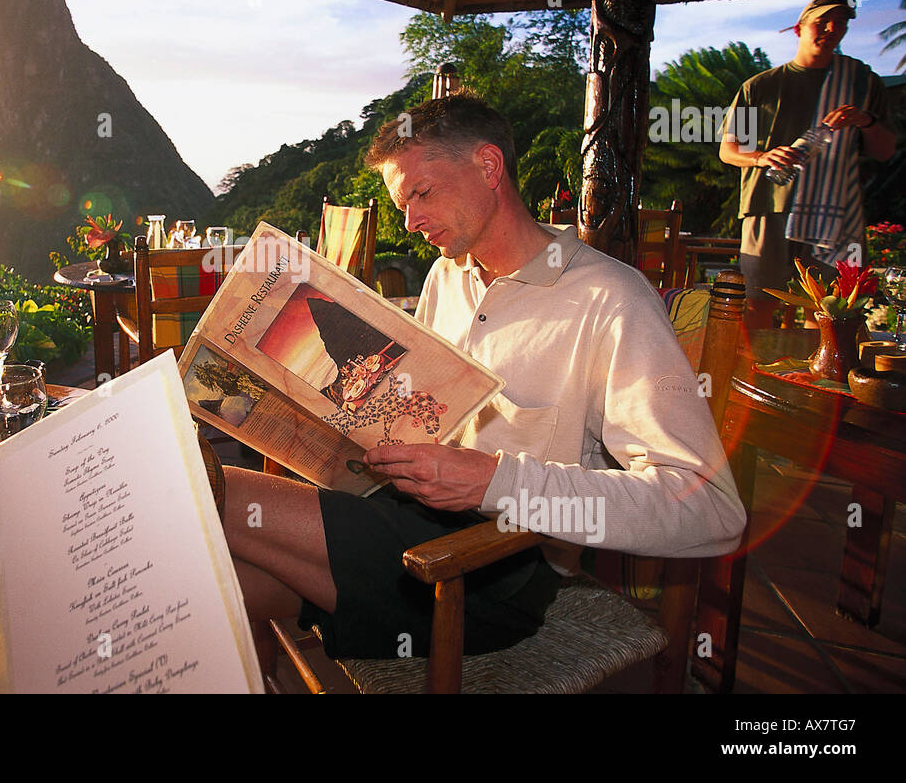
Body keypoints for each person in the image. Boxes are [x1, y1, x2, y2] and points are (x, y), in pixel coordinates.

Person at [222, 93, 747, 670]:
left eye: (421, 194)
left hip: (496, 567)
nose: (410, 221)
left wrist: (494, 482)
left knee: (214, 492)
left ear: (488, 167)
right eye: (401, 206)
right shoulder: (447, 277)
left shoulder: (609, 301)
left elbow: (710, 512)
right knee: (205, 577)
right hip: (408, 522)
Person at [718, 0, 897, 329]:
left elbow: (886, 151)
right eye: (822, 21)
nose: (832, 29)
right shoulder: (760, 87)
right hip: (768, 208)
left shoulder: (860, 83)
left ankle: (815, 380)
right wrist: (762, 157)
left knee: (830, 313)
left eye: (841, 22)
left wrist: (865, 121)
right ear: (799, 28)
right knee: (758, 305)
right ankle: (752, 377)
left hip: (835, 214)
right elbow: (728, 151)